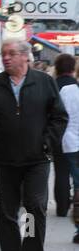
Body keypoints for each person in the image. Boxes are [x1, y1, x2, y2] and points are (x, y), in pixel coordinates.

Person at [0, 40, 69, 251]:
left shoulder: (44, 82)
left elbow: (59, 117)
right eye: (4, 54)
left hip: (37, 159)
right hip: (6, 160)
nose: (6, 58)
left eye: (12, 54)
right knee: (7, 212)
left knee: (34, 208)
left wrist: (47, 142)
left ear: (25, 57)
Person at [53, 54, 79, 240]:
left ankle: (64, 209)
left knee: (66, 176)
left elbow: (59, 115)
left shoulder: (67, 90)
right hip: (69, 141)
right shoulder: (69, 90)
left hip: (67, 141)